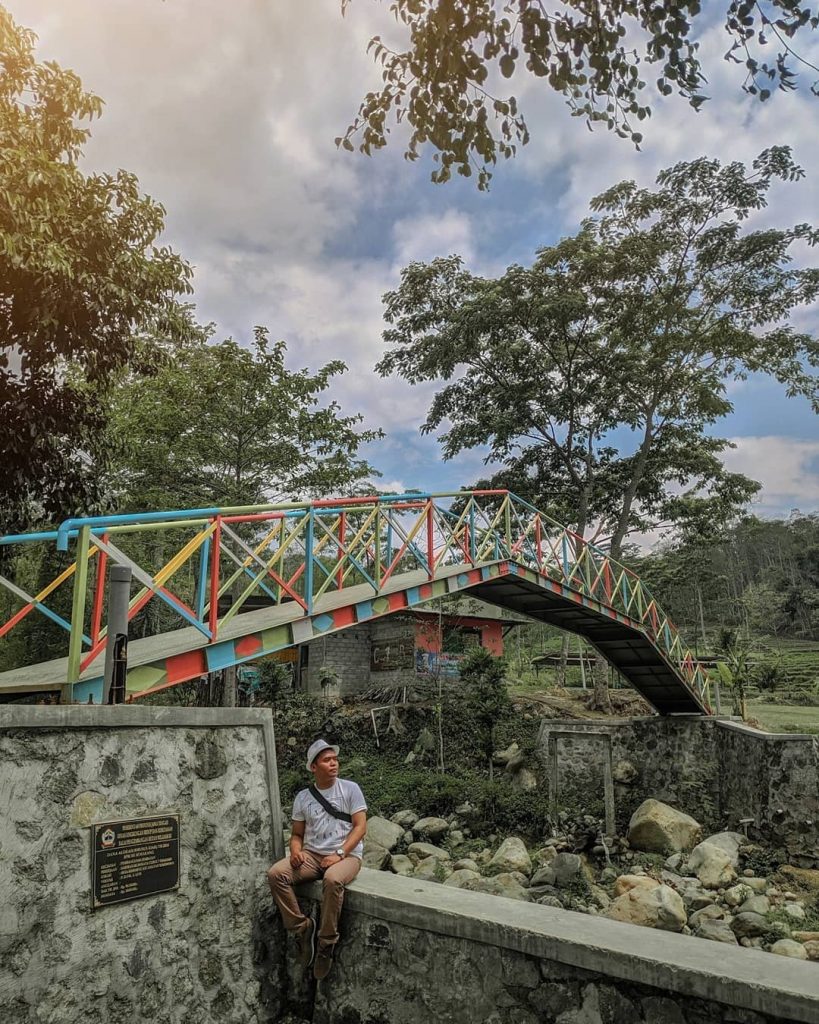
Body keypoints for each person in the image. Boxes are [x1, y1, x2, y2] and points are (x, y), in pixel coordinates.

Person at [267, 739, 367, 980]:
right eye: (327, 760)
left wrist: (339, 854)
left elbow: (360, 827)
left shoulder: (350, 789)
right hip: (312, 856)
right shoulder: (303, 797)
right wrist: (295, 851)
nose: (333, 764)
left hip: (347, 856)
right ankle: (301, 929)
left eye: (335, 759)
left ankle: (326, 943)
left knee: (333, 880)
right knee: (276, 874)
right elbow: (297, 834)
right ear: (313, 767)